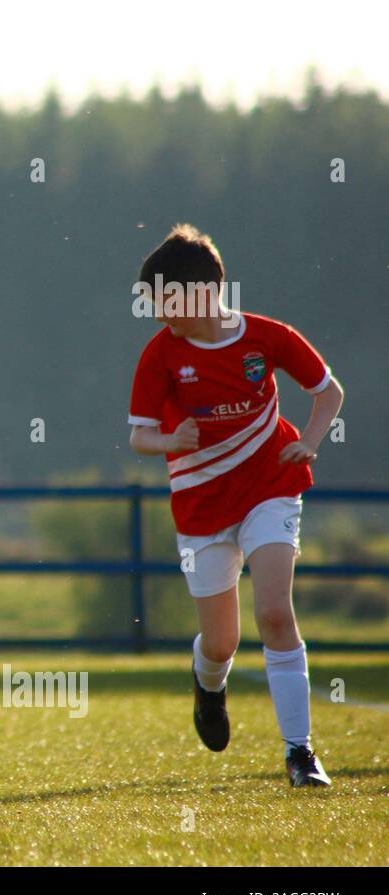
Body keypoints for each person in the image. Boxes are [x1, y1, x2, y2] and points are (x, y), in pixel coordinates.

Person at [127, 225, 344, 786]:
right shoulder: (161, 355)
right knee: (221, 640)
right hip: (201, 508)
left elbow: (328, 391)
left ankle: (300, 753)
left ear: (202, 293)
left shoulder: (267, 337)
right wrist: (169, 442)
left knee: (274, 612)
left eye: (164, 300)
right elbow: (140, 435)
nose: (156, 313)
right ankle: (209, 683)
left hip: (271, 485)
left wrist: (311, 441)